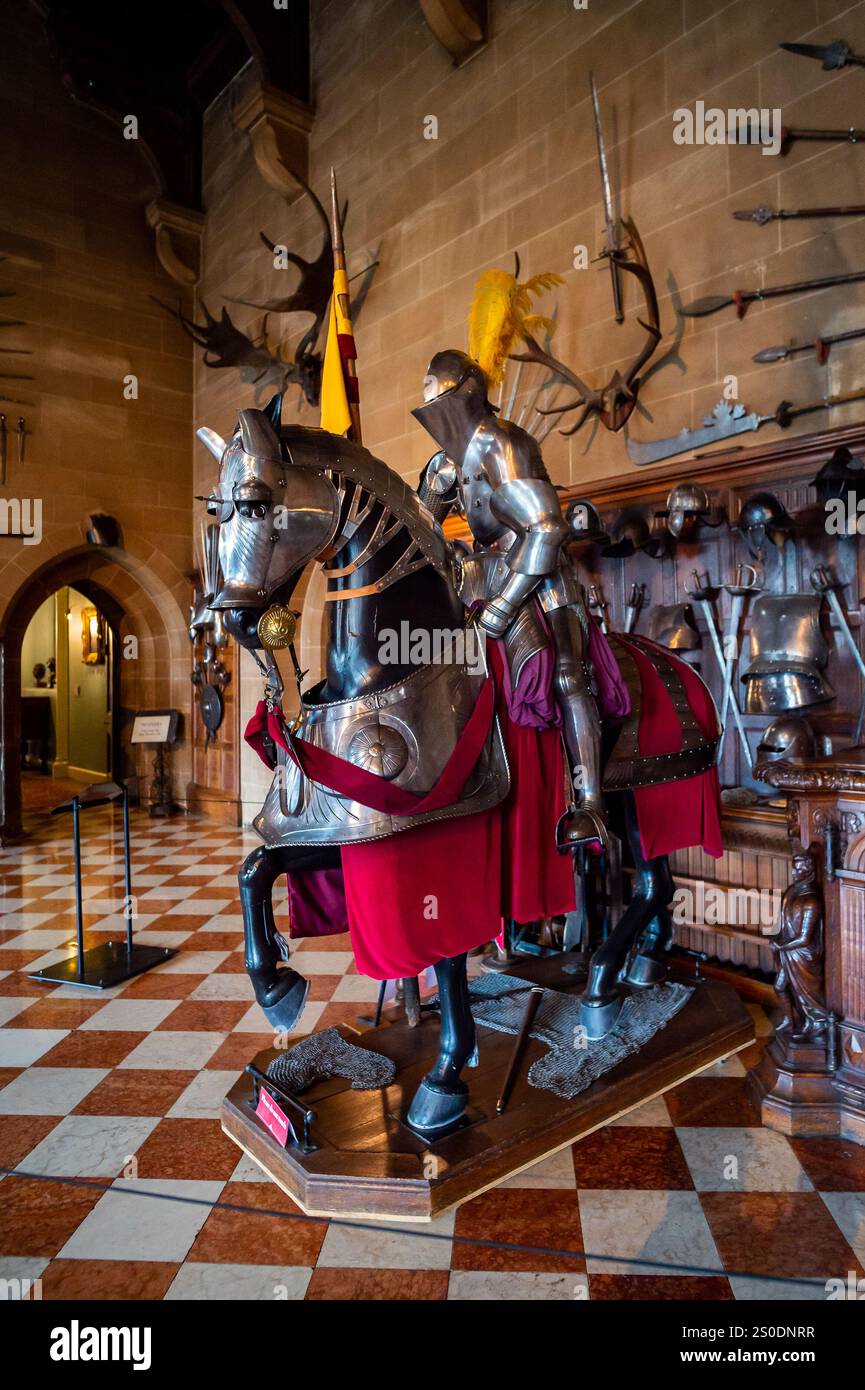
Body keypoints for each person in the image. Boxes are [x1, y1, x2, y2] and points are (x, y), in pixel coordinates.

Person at [412, 348, 606, 849]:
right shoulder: (445, 463)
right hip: (478, 579)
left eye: (446, 401)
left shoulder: (505, 444)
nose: (439, 416)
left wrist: (506, 602)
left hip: (540, 580)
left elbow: (545, 528)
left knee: (567, 675)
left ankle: (589, 806)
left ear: (469, 396)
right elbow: (419, 526)